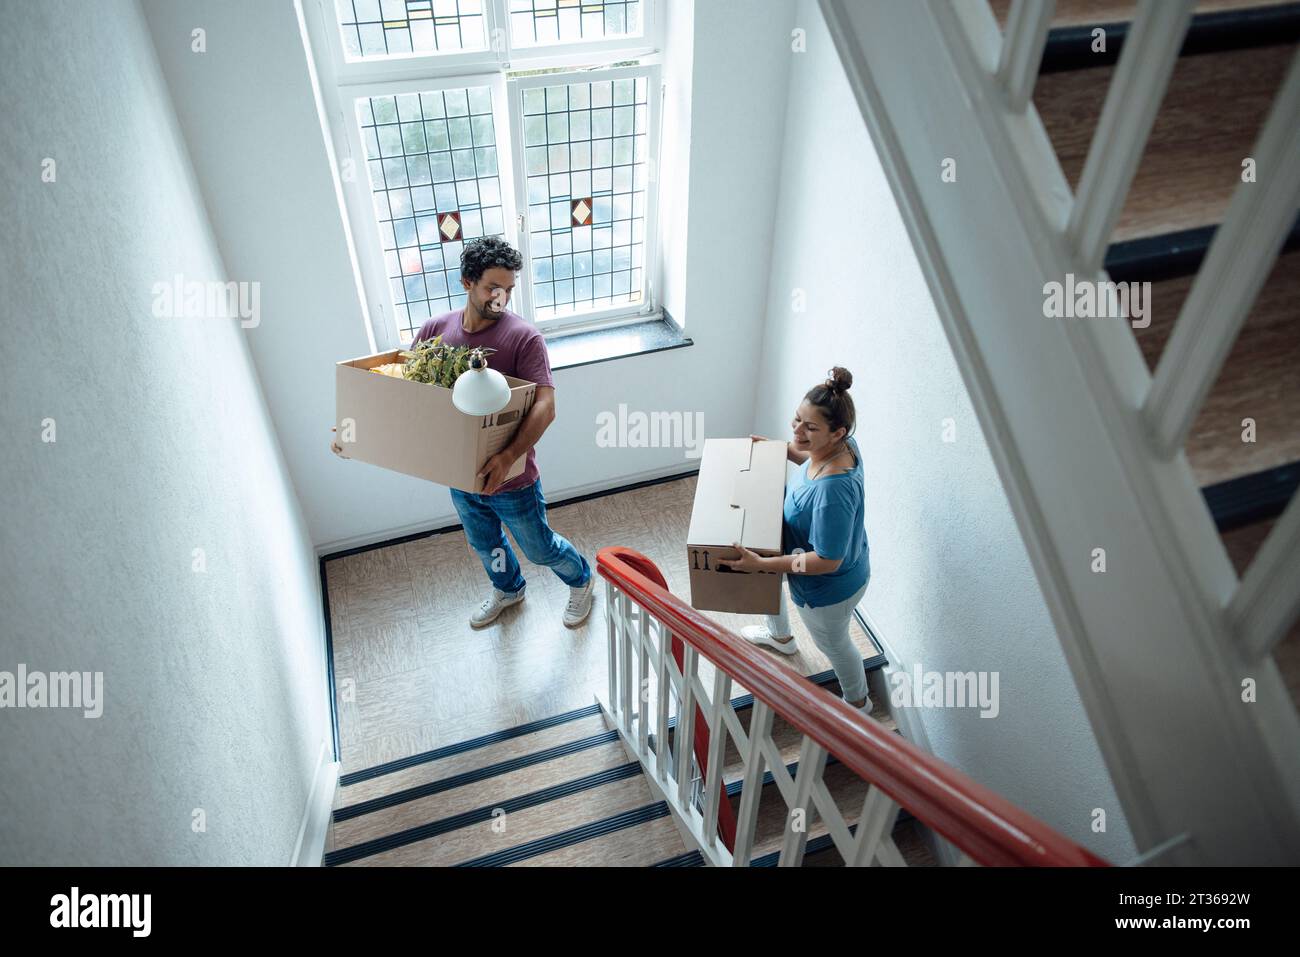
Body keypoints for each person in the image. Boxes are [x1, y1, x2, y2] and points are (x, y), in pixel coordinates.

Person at [333, 237, 594, 629]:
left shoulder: (524, 338)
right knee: (485, 543)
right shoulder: (435, 331)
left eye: (508, 289)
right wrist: (356, 434)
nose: (502, 298)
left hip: (512, 479)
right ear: (466, 281)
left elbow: (545, 406)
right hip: (458, 474)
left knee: (539, 548)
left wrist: (507, 457)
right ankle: (509, 589)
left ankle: (582, 581)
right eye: (493, 287)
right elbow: (406, 399)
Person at [726, 367, 872, 712]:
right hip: (810, 555)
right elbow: (810, 458)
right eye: (797, 419)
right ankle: (781, 637)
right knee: (767, 578)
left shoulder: (832, 491)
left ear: (837, 433)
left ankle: (859, 704)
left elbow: (827, 560)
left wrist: (763, 564)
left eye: (810, 427)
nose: (797, 430)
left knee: (835, 646)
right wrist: (782, 451)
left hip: (827, 590)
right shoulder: (841, 447)